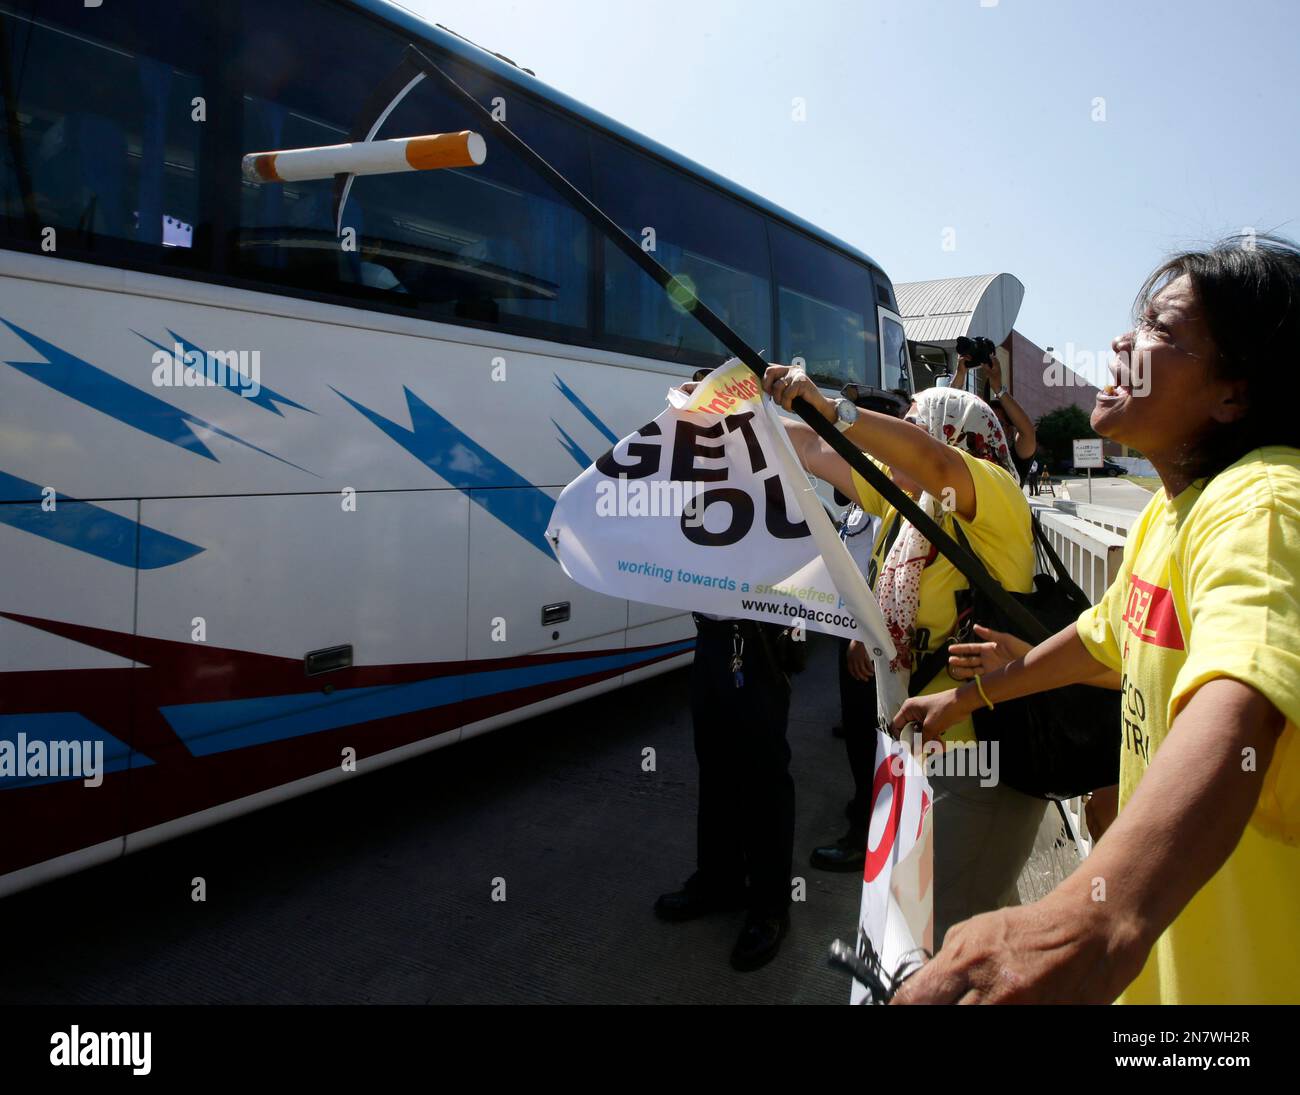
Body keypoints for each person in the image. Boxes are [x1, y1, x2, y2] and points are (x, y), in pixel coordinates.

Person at [892, 235, 1300, 1004]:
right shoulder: (1167, 515)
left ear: (1233, 395)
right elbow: (1100, 638)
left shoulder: (1266, 500)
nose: (1121, 338)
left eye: (1160, 328)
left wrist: (1084, 922)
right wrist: (962, 698)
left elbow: (1242, 698)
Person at [763, 371, 1045, 940]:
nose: (887, 447)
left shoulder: (990, 495)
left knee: (940, 931)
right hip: (913, 753)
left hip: (977, 762)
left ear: (951, 438)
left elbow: (932, 462)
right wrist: (747, 416)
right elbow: (815, 447)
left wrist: (837, 407)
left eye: (912, 429)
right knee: (965, 919)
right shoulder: (905, 501)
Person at [954, 350, 1038, 485]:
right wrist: (960, 374)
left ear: (1010, 432)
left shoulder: (1013, 461)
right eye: (984, 421)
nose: (989, 427)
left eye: (997, 424)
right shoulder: (966, 452)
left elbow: (1028, 433)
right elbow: (948, 421)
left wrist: (998, 388)